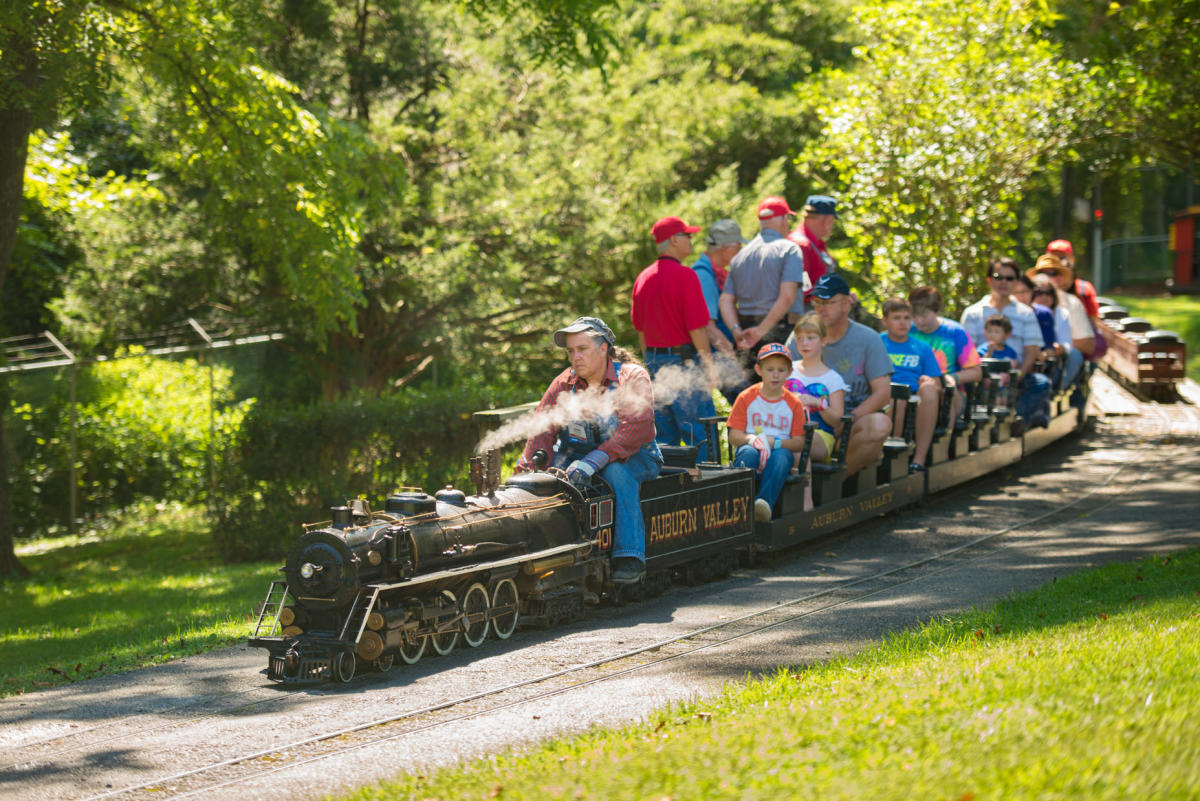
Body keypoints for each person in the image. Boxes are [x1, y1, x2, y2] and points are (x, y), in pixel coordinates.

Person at [516, 316, 663, 584]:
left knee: (616, 473)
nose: (575, 357)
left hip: (636, 456)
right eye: (570, 351)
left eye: (581, 349)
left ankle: (629, 556)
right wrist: (527, 471)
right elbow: (542, 428)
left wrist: (595, 460)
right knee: (548, 478)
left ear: (603, 348)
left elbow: (637, 428)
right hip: (577, 456)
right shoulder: (564, 383)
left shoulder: (632, 377)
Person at [785, 273, 891, 475]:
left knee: (880, 424)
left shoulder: (868, 339)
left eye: (829, 302)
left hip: (853, 420)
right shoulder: (802, 336)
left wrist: (846, 421)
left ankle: (835, 482)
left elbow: (883, 392)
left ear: (847, 303)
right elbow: (780, 378)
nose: (821, 308)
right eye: (817, 302)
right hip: (808, 421)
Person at [631, 216, 718, 461]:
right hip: (685, 365)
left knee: (663, 440)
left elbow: (642, 332)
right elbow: (697, 329)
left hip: (654, 366)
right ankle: (708, 492)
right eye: (687, 235)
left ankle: (668, 495)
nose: (691, 239)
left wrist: (648, 368)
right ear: (674, 240)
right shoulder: (685, 275)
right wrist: (709, 367)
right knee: (700, 436)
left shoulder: (643, 278)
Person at [960, 258, 1052, 429]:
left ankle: (1017, 419)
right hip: (980, 375)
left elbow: (1031, 351)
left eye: (1009, 278)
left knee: (1042, 383)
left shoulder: (1026, 314)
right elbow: (965, 351)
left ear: (1016, 282)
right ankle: (967, 425)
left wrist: (1017, 377)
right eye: (998, 277)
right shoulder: (973, 313)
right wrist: (980, 375)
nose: (1003, 282)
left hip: (1015, 373)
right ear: (989, 279)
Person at [719, 196, 808, 372]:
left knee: (754, 393)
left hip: (745, 335)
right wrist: (761, 330)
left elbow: (725, 300)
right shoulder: (789, 249)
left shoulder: (740, 256)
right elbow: (788, 296)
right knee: (782, 394)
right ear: (783, 219)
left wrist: (736, 330)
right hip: (778, 332)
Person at [727, 343, 809, 521]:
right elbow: (734, 436)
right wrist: (750, 439)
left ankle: (762, 506)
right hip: (751, 445)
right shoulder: (746, 397)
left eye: (781, 370)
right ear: (758, 369)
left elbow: (799, 442)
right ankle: (739, 505)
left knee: (780, 457)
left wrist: (775, 443)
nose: (776, 375)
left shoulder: (794, 403)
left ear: (789, 372)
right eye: (770, 369)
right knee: (748, 454)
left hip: (780, 448)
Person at [880, 297, 943, 472]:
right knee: (896, 397)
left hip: (915, 397)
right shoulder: (877, 343)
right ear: (885, 321)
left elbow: (937, 383)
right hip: (886, 395)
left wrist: (928, 381)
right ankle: (889, 457)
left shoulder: (921, 347)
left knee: (929, 390)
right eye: (896, 318)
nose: (903, 323)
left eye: (907, 318)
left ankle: (918, 459)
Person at [907, 285, 982, 424]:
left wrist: (950, 378)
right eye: (914, 316)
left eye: (924, 315)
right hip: (911, 389)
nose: (919, 321)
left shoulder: (955, 332)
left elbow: (976, 372)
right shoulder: (906, 331)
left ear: (937, 311)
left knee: (942, 393)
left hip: (949, 393)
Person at [690, 218, 746, 356]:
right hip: (718, 358)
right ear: (727, 249)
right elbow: (708, 328)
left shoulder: (716, 273)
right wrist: (734, 358)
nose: (740, 252)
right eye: (739, 247)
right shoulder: (704, 276)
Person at [787, 195, 839, 315]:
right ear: (827, 221)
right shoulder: (801, 245)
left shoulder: (816, 243)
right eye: (832, 221)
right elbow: (801, 287)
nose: (832, 225)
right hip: (807, 315)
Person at [1029, 278, 1082, 388]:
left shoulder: (1061, 314)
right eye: (1039, 293)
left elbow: (1067, 343)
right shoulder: (1027, 312)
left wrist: (1060, 348)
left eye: (1048, 293)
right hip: (1032, 355)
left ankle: (1060, 387)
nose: (1044, 297)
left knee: (1075, 355)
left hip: (1054, 357)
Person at [1046, 239, 1100, 321]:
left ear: (1072, 260)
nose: (1058, 262)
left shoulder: (1084, 289)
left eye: (1061, 257)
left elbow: (1094, 320)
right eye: (1053, 257)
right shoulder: (1038, 286)